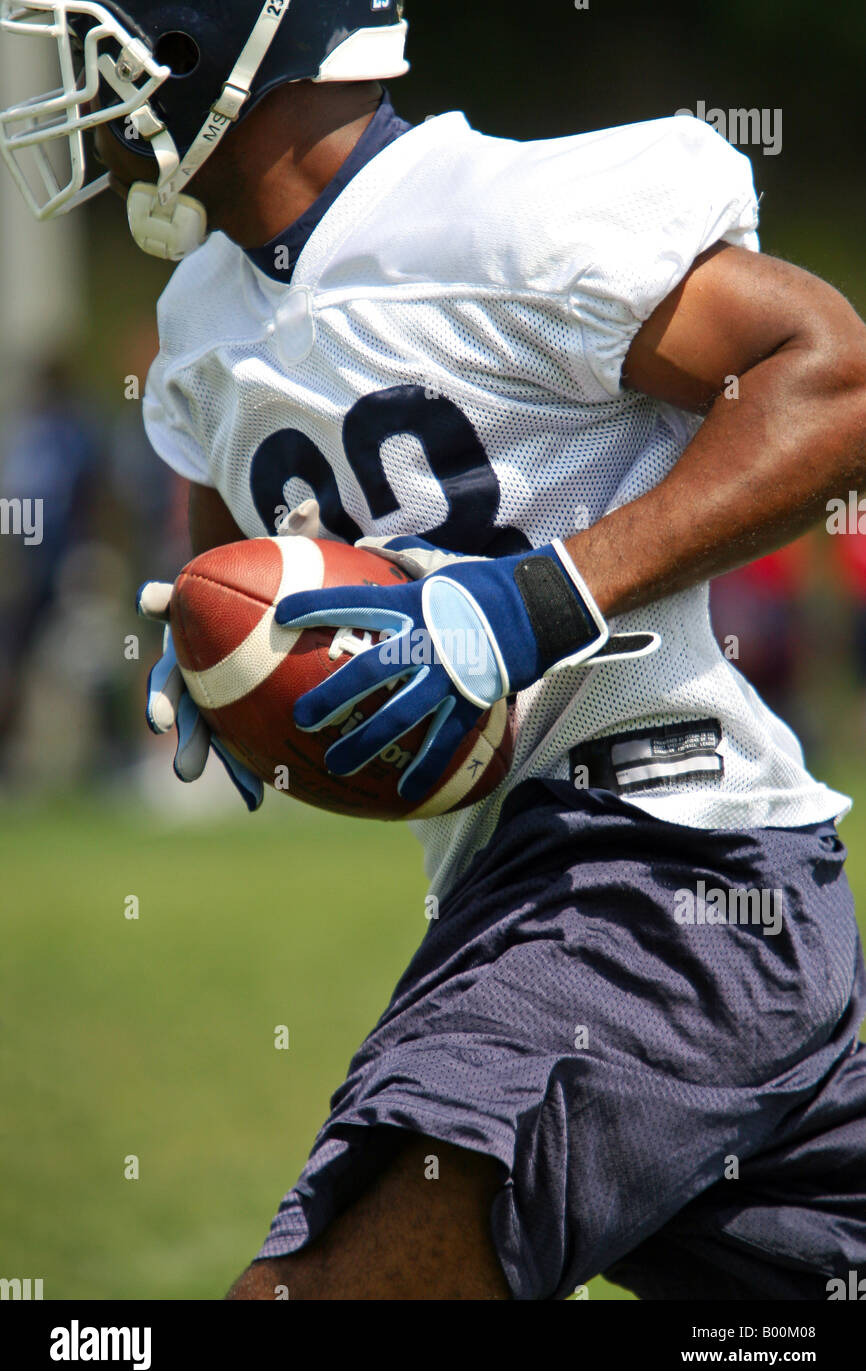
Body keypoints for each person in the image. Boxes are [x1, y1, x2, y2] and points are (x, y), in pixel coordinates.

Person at [3, 1, 865, 1301]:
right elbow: (240, 551)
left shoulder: (498, 215)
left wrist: (541, 599)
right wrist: (219, 648)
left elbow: (831, 377)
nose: (76, 94)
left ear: (208, 48)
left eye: (97, 45)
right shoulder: (202, 320)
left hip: (660, 865)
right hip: (521, 887)